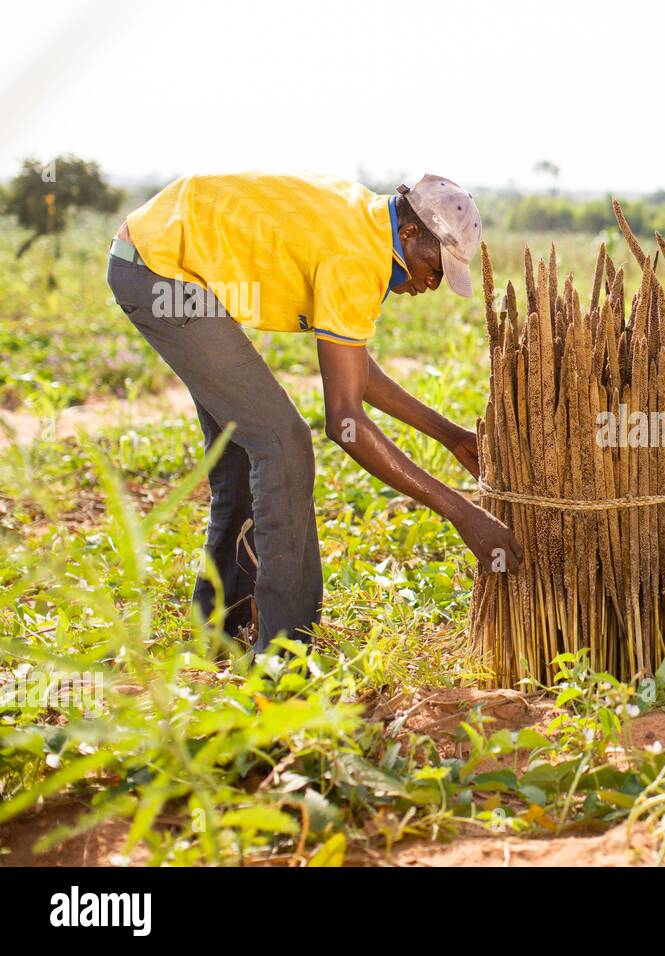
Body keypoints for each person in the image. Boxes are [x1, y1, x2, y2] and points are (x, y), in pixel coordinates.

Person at [105, 172, 522, 652]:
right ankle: (285, 648)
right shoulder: (358, 256)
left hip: (170, 258)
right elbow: (345, 422)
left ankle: (219, 630)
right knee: (283, 445)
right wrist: (461, 513)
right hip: (161, 271)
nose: (432, 283)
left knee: (244, 451)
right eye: (434, 265)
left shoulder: (368, 226)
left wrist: (450, 435)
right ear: (407, 233)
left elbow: (355, 370)